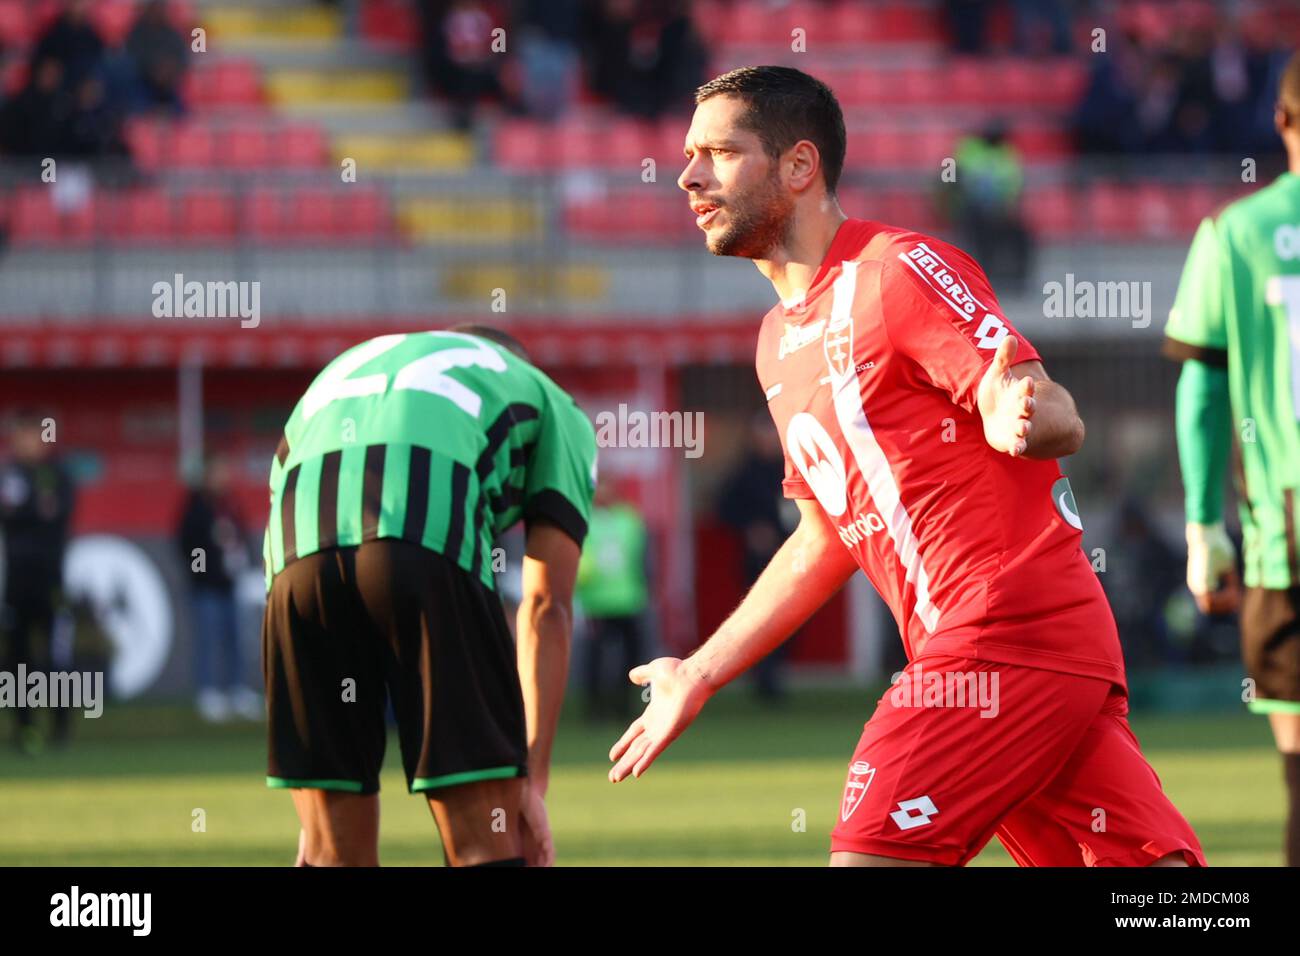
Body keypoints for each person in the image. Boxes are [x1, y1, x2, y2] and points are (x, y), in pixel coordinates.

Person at [609, 65, 1205, 868]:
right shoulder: (775, 344)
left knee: (870, 854)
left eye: (719, 152)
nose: (687, 176)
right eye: (688, 155)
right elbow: (825, 538)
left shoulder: (895, 271)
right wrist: (701, 672)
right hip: (1014, 648)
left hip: (1005, 626)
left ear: (798, 165)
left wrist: (1015, 412)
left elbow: (1039, 398)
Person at [262, 325, 596, 866]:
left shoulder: (348, 368)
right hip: (424, 539)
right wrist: (530, 779)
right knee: (480, 841)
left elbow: (280, 513)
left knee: (331, 854)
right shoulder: (547, 397)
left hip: (295, 556)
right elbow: (544, 605)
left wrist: (319, 807)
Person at [1164, 50, 1300, 867]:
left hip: (1286, 541)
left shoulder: (1238, 232)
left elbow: (1203, 395)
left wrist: (1202, 526)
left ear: (1282, 121)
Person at [0, 410, 77, 754]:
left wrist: (27, 511)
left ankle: (61, 724)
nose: (28, 442)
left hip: (51, 580)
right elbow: (17, 515)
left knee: (55, 655)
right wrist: (35, 510)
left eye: (34, 435)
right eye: (22, 435)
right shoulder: (9, 473)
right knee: (19, 658)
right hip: (15, 582)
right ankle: (25, 726)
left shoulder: (56, 473)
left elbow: (59, 514)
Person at [718, 411, 794, 702]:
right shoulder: (744, 474)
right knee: (761, 618)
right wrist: (750, 527)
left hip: (792, 556)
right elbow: (724, 510)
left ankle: (774, 675)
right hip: (758, 562)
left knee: (790, 620)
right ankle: (765, 679)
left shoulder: (789, 468)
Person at [177, 455, 260, 723]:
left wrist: (244, 563)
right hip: (208, 586)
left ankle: (237, 690)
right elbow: (188, 543)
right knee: (208, 638)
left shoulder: (230, 503)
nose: (222, 478)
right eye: (216, 472)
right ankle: (209, 692)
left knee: (236, 638)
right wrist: (204, 572)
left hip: (232, 582)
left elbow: (241, 535)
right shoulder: (196, 506)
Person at [576, 473, 648, 720]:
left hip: (628, 600)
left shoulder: (628, 519)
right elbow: (580, 561)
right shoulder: (585, 520)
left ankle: (624, 706)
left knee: (631, 658)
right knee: (595, 659)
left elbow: (641, 557)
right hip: (597, 602)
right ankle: (595, 709)